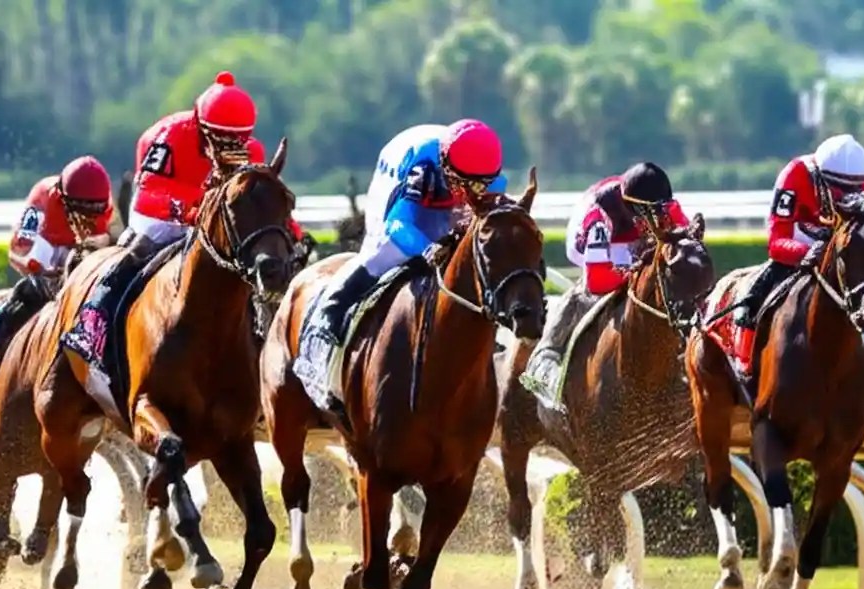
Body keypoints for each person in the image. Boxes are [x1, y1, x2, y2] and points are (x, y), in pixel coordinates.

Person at [61, 71, 267, 385]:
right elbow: (147, 194)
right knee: (133, 255)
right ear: (202, 126)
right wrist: (193, 206)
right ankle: (91, 328)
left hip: (211, 220)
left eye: (238, 141)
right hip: (161, 216)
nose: (232, 149)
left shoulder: (253, 152)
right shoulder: (170, 136)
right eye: (222, 141)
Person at [293, 120, 507, 407]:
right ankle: (328, 321)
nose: (472, 192)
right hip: (397, 193)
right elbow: (397, 223)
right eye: (466, 184)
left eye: (481, 185)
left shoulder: (487, 176)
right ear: (446, 166)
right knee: (383, 254)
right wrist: (429, 249)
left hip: (444, 197)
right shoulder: (423, 167)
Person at [520, 162, 689, 403]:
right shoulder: (599, 216)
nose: (655, 219)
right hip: (591, 247)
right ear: (631, 206)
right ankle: (545, 363)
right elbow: (598, 280)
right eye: (647, 214)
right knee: (589, 296)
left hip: (627, 230)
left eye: (659, 211)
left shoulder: (664, 206)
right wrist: (634, 272)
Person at [730, 133, 864, 378]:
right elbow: (776, 242)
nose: (849, 195)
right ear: (819, 177)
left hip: (841, 254)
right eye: (840, 188)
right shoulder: (795, 175)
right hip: (800, 247)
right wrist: (809, 253)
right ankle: (744, 363)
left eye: (857, 188)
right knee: (749, 300)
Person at [0, 156, 114, 361]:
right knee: (38, 281)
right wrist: (36, 269)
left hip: (83, 246)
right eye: (81, 210)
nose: (89, 218)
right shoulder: (42, 199)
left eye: (96, 210)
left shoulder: (107, 206)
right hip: (47, 242)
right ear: (62, 198)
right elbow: (16, 252)